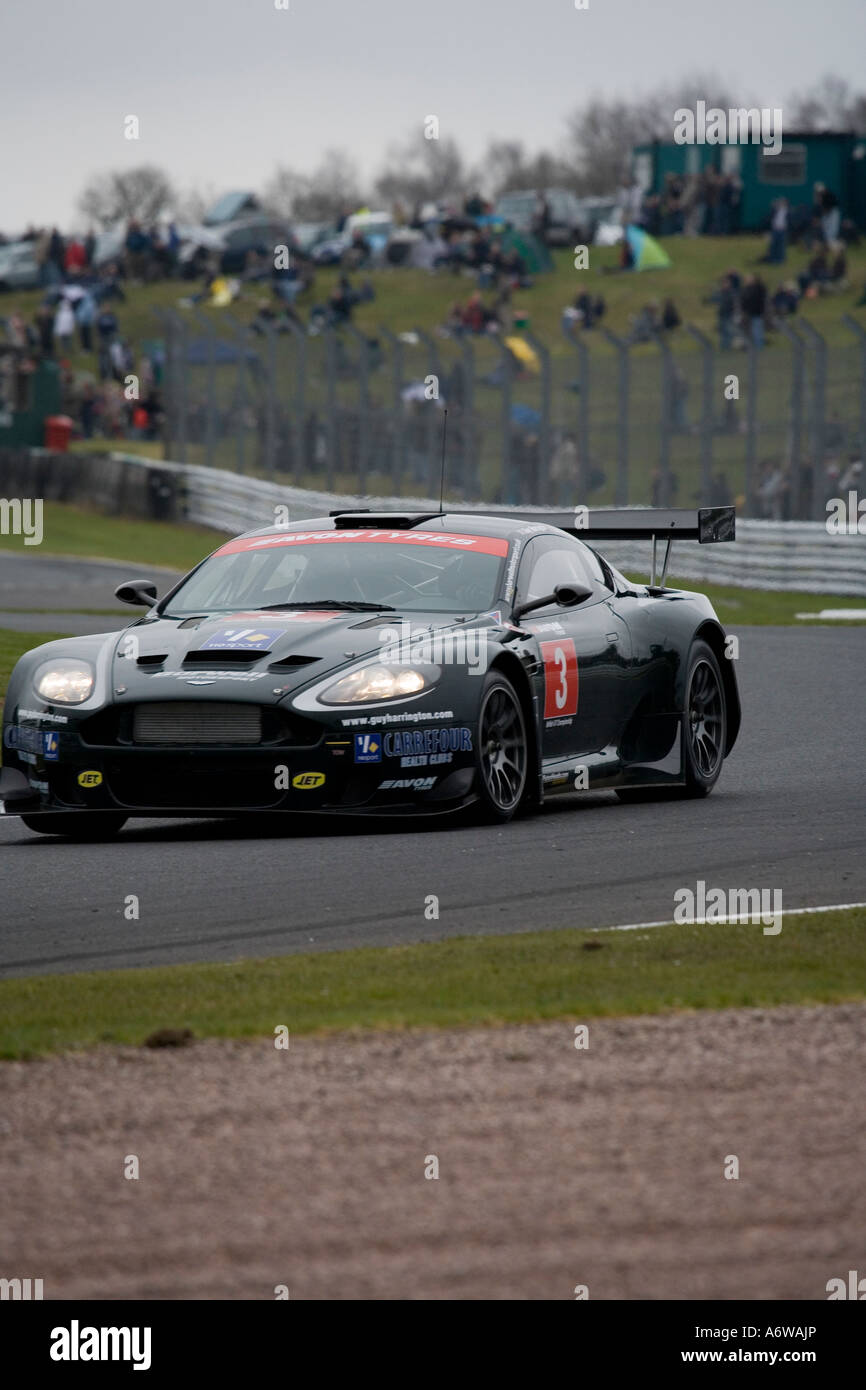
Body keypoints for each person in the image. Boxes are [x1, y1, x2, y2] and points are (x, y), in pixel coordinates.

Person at [739, 274, 767, 349]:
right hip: (748, 314)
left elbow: (762, 293)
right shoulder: (745, 289)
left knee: (757, 331)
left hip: (757, 313)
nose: (747, 281)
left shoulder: (758, 288)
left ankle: (759, 347)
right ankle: (751, 347)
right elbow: (743, 301)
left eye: (749, 279)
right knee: (748, 331)